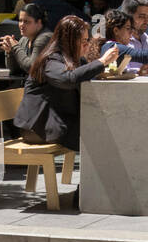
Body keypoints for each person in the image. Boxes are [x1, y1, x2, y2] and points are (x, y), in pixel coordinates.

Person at [14, 15, 119, 207]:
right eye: (84, 40)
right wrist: (101, 62)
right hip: (37, 127)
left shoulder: (70, 58)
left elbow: (77, 77)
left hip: (52, 121)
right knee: (95, 134)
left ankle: (90, 189)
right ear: (71, 40)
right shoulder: (51, 59)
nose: (87, 44)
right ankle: (88, 190)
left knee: (98, 129)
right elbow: (67, 79)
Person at [2, 3, 52, 76]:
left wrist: (15, 47)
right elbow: (14, 70)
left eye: (26, 22)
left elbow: (32, 68)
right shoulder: (24, 40)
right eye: (20, 21)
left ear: (39, 22)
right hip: (27, 84)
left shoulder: (44, 38)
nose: (21, 25)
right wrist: (10, 51)